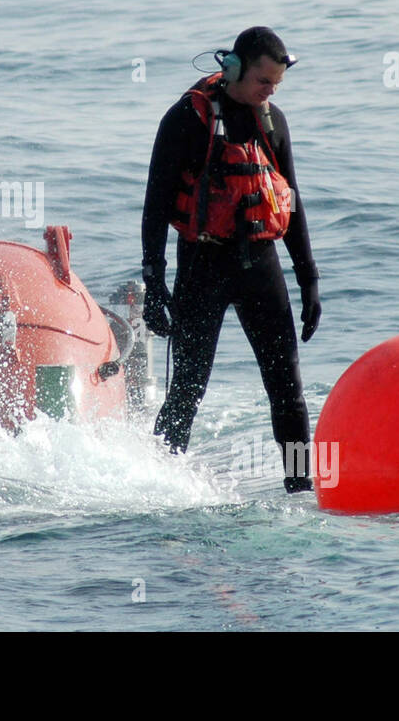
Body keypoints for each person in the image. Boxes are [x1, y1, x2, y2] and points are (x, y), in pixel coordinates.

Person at [140, 26, 322, 492]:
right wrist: (154, 284)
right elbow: (156, 204)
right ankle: (154, 484)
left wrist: (308, 280)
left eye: (278, 84)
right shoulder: (186, 119)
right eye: (264, 81)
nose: (271, 92)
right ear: (235, 68)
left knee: (288, 393)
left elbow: (292, 201)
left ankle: (301, 491)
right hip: (203, 266)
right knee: (188, 388)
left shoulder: (272, 120)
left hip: (261, 267)